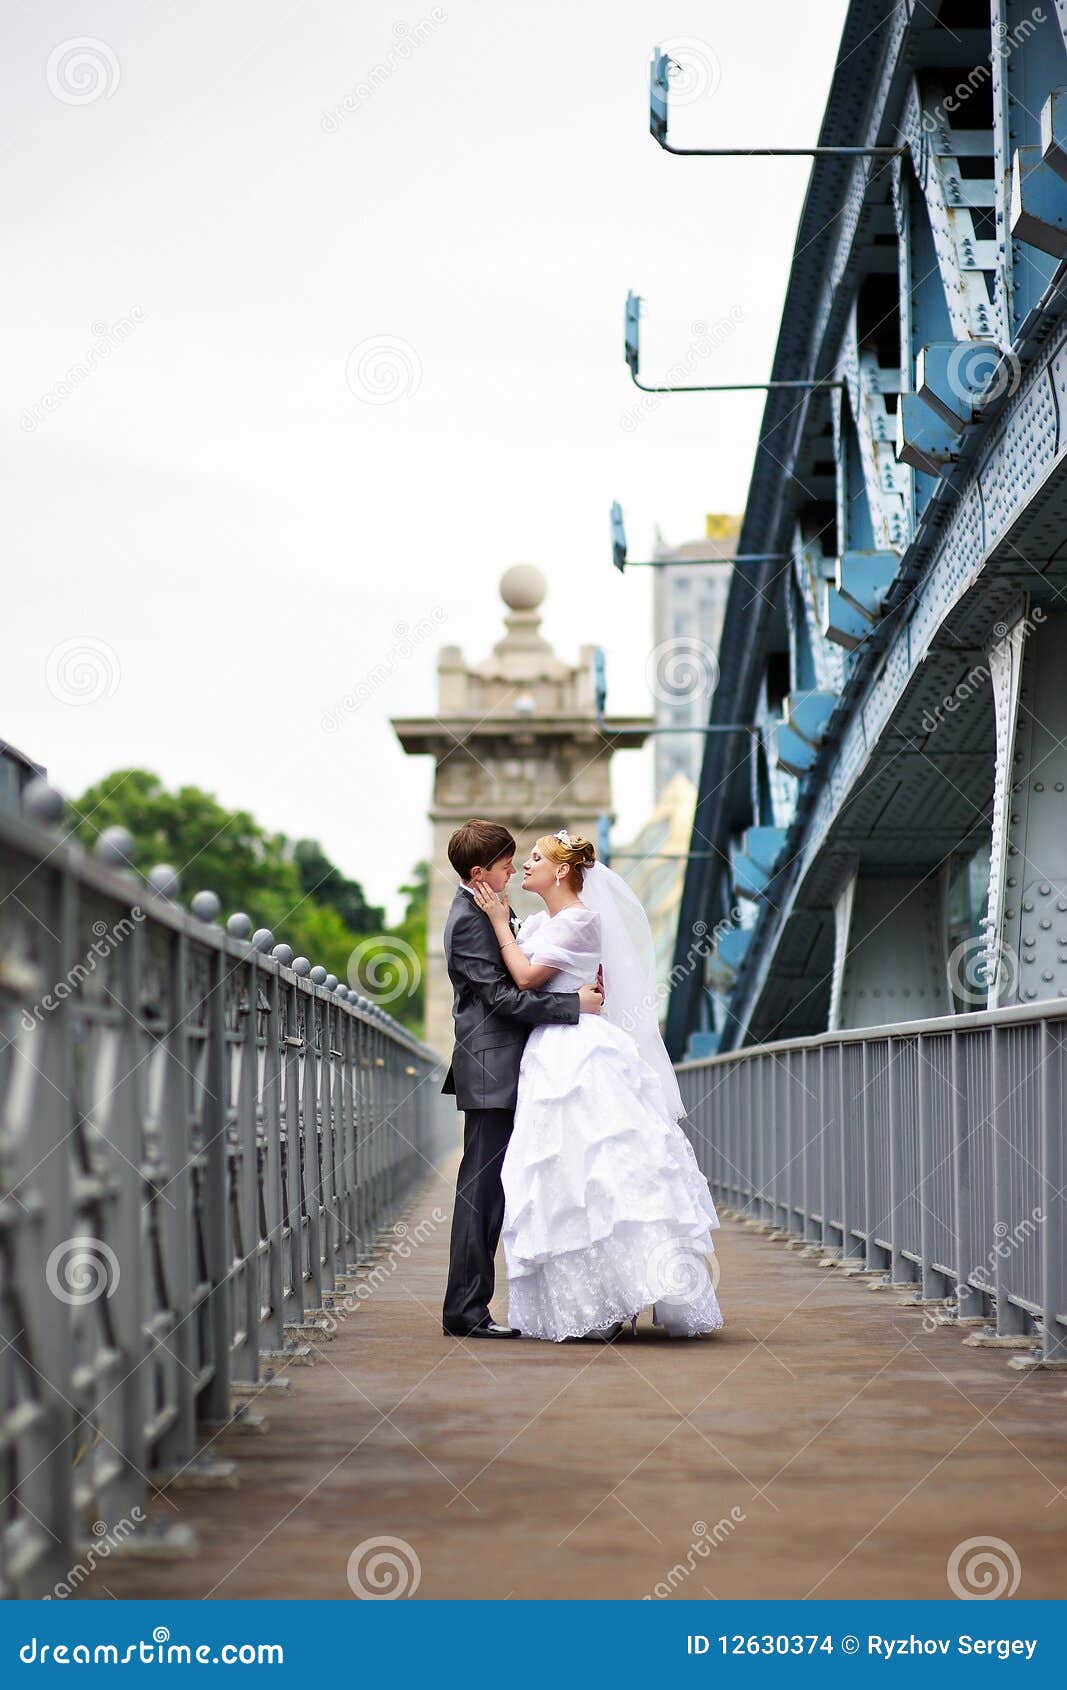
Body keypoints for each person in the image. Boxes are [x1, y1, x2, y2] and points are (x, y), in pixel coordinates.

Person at [471, 828, 723, 1343]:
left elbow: (522, 977)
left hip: (578, 1050)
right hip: (548, 1050)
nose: (525, 866)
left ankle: (614, 1296)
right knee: (564, 1171)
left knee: (601, 1168)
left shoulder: (582, 920)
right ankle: (588, 1299)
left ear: (561, 870)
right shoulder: (544, 921)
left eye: (535, 858)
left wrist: (498, 923)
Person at [440, 819, 606, 1338]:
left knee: (499, 1188)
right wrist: (573, 1005)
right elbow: (500, 998)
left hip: (509, 1066)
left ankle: (477, 1307)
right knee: (482, 1191)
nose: (513, 869)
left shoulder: (487, 909)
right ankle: (465, 1312)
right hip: (493, 1068)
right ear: (479, 872)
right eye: (506, 864)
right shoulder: (470, 918)